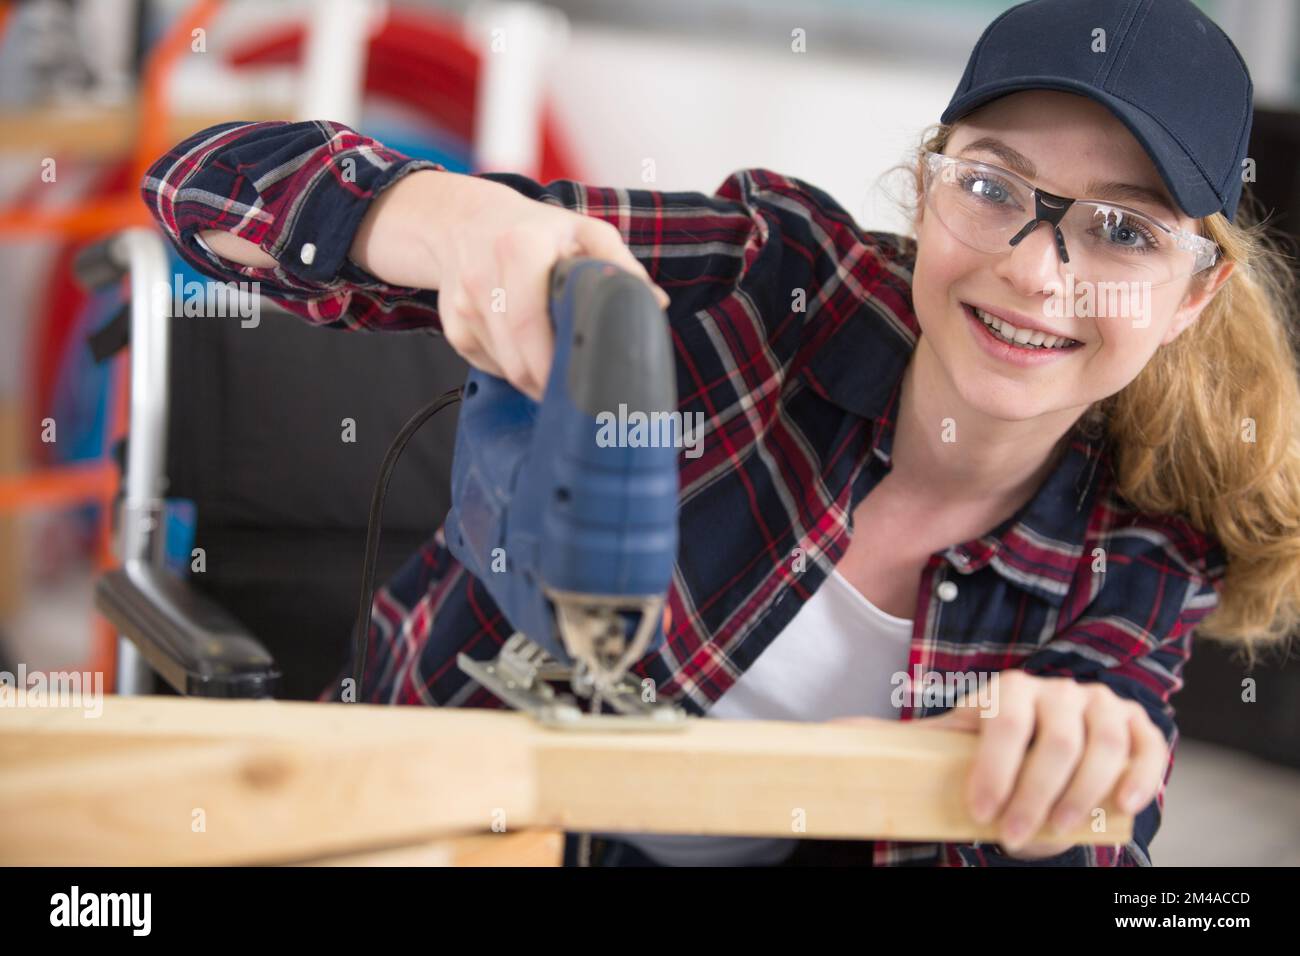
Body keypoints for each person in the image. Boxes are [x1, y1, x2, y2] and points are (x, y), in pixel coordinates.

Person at [141, 0, 1300, 866]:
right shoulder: (763, 278)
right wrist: (441, 218)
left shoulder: (1149, 538)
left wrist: (1069, 762)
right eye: (994, 187)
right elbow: (198, 188)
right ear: (925, 194)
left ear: (1190, 295)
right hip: (442, 827)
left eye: (1121, 233)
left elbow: (1107, 799)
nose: (1038, 273)